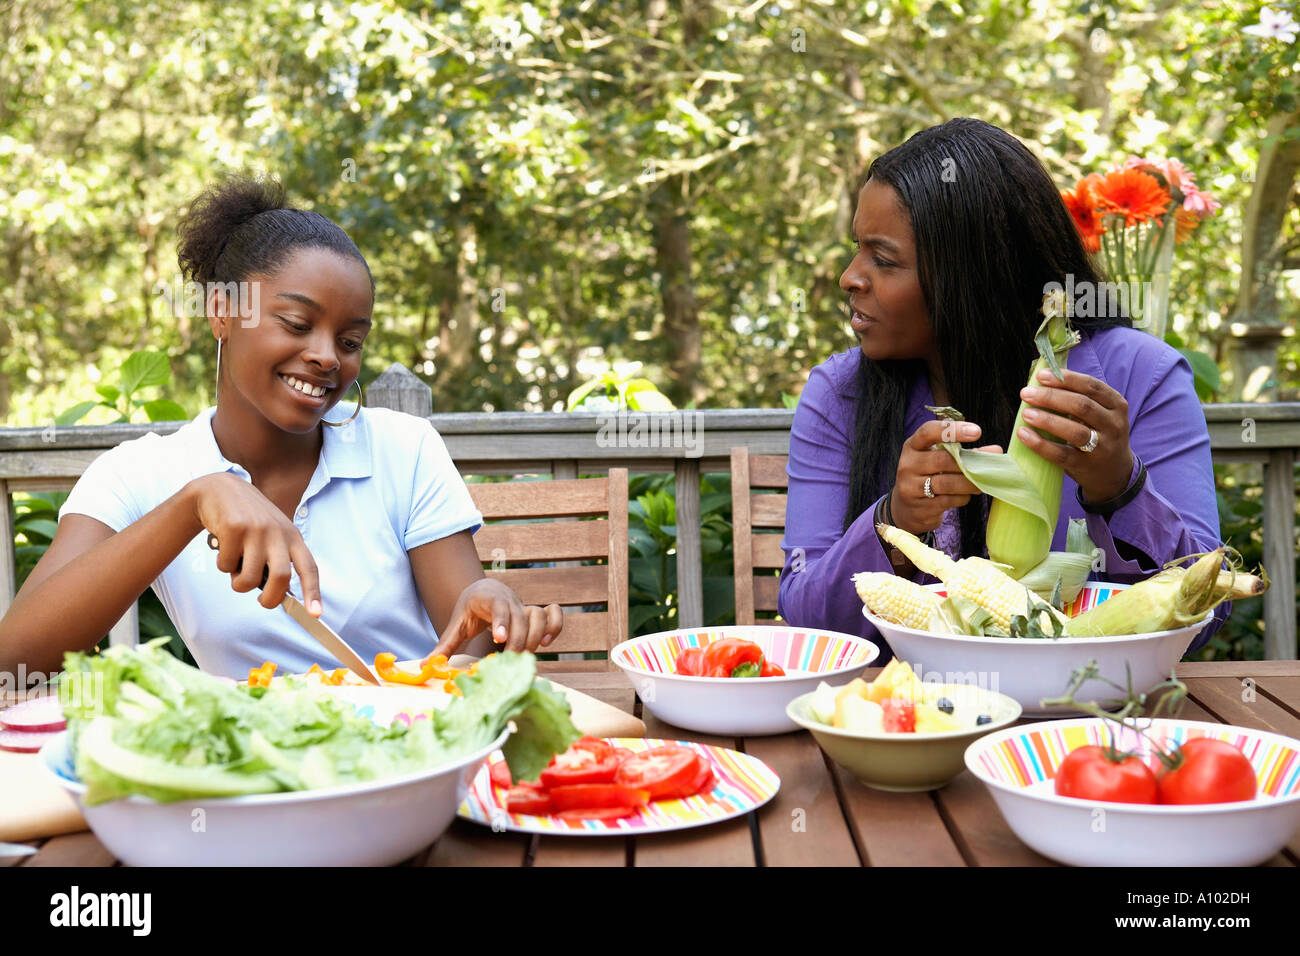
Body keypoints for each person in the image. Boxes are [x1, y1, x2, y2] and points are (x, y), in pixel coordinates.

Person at [0, 175, 562, 681]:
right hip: (262, 775)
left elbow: (468, 647)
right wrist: (193, 503)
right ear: (221, 311)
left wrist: (487, 603)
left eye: (350, 342)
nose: (327, 358)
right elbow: (15, 663)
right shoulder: (139, 474)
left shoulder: (403, 449)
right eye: (296, 323)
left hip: (409, 751)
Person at [778, 118, 1225, 657]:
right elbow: (805, 616)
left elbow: (1209, 611)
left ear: (971, 276)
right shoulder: (839, 394)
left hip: (1082, 718)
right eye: (858, 249)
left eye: (884, 259)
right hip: (914, 718)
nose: (850, 277)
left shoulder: (1140, 377)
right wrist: (891, 521)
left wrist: (1121, 488)